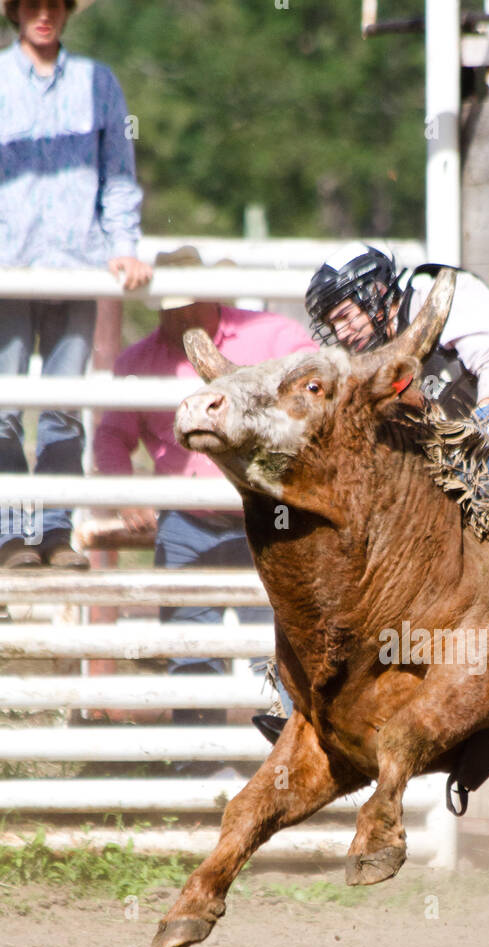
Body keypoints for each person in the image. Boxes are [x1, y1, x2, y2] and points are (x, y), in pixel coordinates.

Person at [93, 246, 314, 754]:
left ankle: (292, 762)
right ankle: (197, 763)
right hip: (188, 519)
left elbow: (315, 388)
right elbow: (111, 438)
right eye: (170, 305)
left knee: (285, 640)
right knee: (191, 646)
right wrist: (126, 493)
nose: (178, 314)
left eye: (187, 303)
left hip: (267, 511)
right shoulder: (138, 361)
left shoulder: (272, 336)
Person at [305, 242, 489, 583]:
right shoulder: (377, 358)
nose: (341, 332)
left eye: (344, 317)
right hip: (460, 456)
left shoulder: (439, 295)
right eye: (332, 325)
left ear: (374, 290)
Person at [0, 0, 152, 569]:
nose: (44, 15)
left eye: (53, 5)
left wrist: (124, 248)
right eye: (32, 5)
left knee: (63, 407)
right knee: (6, 407)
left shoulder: (97, 81)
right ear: (15, 13)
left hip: (76, 261)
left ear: (65, 12)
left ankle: (56, 533)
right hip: (8, 268)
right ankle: (13, 536)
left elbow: (118, 173)